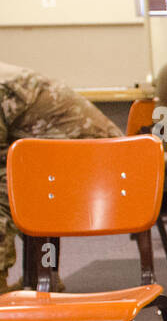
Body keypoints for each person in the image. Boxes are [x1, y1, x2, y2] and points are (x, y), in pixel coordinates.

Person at [0, 61, 122, 291]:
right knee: (21, 176)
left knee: (6, 191)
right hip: (89, 161)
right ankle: (42, 277)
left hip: (98, 169)